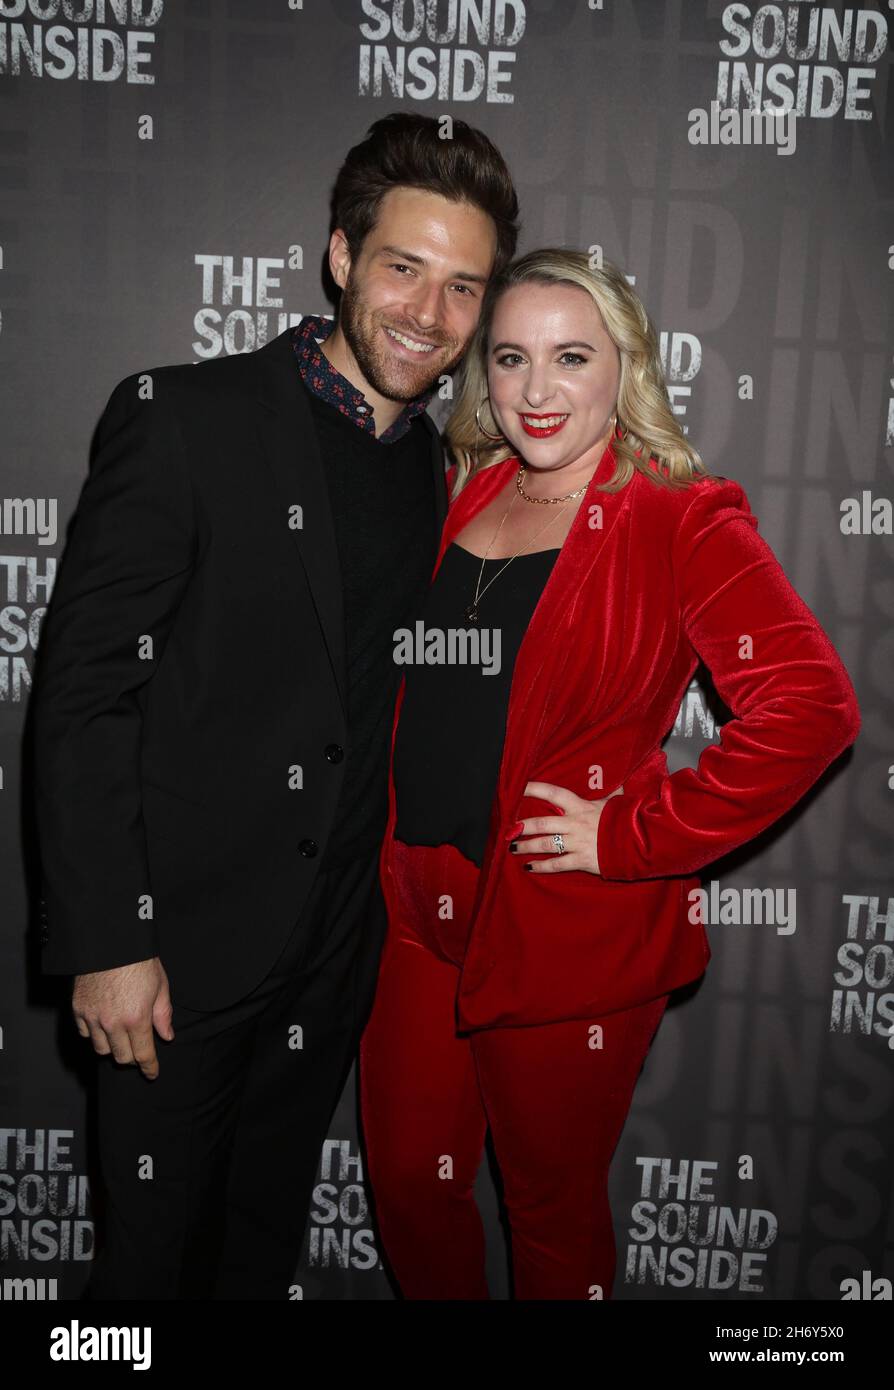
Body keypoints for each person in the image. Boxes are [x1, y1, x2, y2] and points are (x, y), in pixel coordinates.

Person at [30, 112, 519, 1299]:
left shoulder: (445, 472)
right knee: (144, 1285)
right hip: (172, 961)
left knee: (254, 1260)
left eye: (465, 288)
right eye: (403, 268)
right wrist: (108, 942)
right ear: (342, 258)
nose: (428, 315)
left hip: (328, 966)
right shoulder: (188, 419)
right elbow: (86, 691)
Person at [358, 248, 862, 1300]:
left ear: (621, 369)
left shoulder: (678, 515)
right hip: (415, 914)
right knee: (408, 1182)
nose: (537, 391)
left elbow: (812, 707)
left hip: (559, 927)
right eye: (510, 358)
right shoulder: (467, 487)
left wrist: (633, 832)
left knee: (548, 1214)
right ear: (484, 378)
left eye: (570, 357)